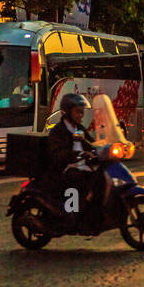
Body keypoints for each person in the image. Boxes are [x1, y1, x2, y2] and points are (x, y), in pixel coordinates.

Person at [44, 93, 109, 229]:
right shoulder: (58, 131)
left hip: (82, 166)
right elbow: (57, 155)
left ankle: (93, 214)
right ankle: (71, 215)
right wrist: (79, 154)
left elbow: (91, 143)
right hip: (65, 169)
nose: (80, 115)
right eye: (77, 112)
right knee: (79, 179)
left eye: (82, 112)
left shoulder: (79, 129)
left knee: (102, 178)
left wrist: (103, 147)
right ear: (67, 112)